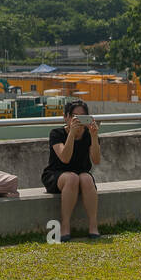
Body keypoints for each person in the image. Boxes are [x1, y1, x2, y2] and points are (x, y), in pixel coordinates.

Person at [42, 99, 102, 242]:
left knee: (86, 178)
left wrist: (94, 136)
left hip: (80, 174)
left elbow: (96, 160)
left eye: (82, 116)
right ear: (66, 117)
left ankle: (93, 225)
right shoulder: (56, 133)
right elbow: (65, 158)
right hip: (56, 175)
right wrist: (71, 134)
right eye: (74, 116)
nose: (78, 120)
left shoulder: (88, 135)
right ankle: (65, 225)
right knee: (72, 178)